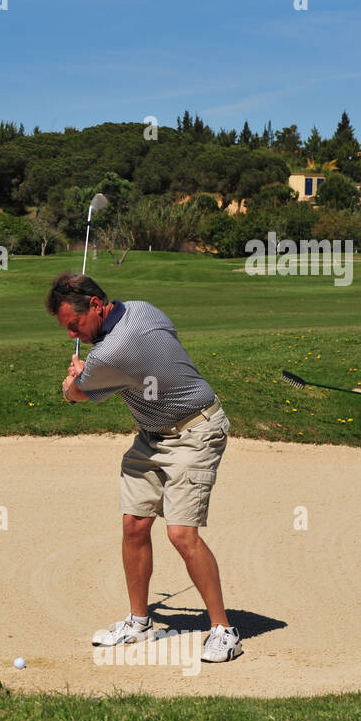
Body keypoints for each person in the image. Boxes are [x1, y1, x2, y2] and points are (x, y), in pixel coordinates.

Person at [46, 272, 242, 662]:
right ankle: (139, 621)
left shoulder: (110, 353)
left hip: (195, 432)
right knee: (134, 525)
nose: (72, 334)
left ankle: (224, 629)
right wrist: (89, 372)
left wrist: (74, 381)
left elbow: (77, 395)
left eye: (75, 325)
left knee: (181, 534)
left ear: (97, 306)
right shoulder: (141, 309)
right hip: (153, 436)